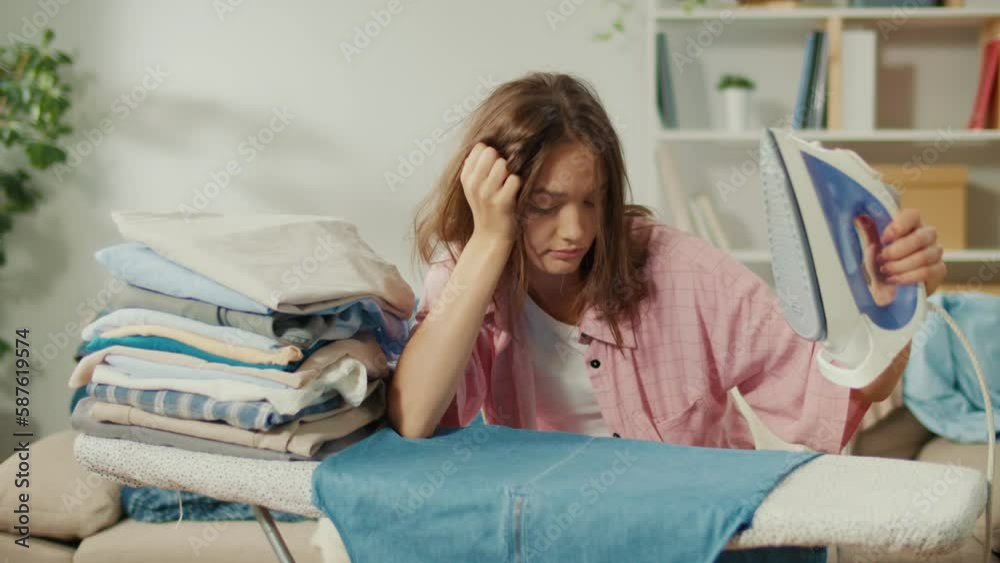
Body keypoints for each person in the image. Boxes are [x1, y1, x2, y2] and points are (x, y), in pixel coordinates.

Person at [387, 71, 946, 454]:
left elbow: (836, 389)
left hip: (694, 529)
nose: (576, 230)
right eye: (544, 204)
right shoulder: (469, 274)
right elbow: (414, 419)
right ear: (500, 197)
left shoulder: (680, 270)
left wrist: (893, 304)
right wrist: (488, 244)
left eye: (592, 200)